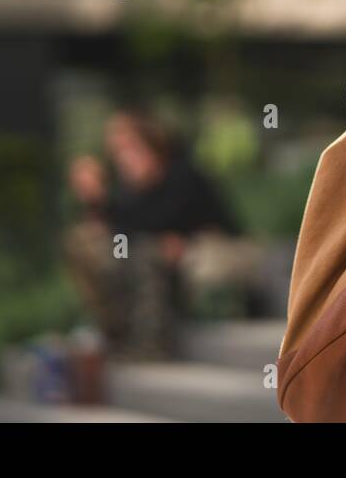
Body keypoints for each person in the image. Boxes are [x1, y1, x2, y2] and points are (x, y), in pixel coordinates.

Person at [63, 109, 241, 359]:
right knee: (86, 243)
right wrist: (98, 203)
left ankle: (151, 342)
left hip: (211, 248)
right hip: (158, 253)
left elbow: (166, 219)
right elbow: (126, 227)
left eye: (129, 147)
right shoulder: (129, 185)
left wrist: (181, 239)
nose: (123, 157)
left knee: (147, 251)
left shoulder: (181, 173)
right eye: (117, 151)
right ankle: (114, 331)